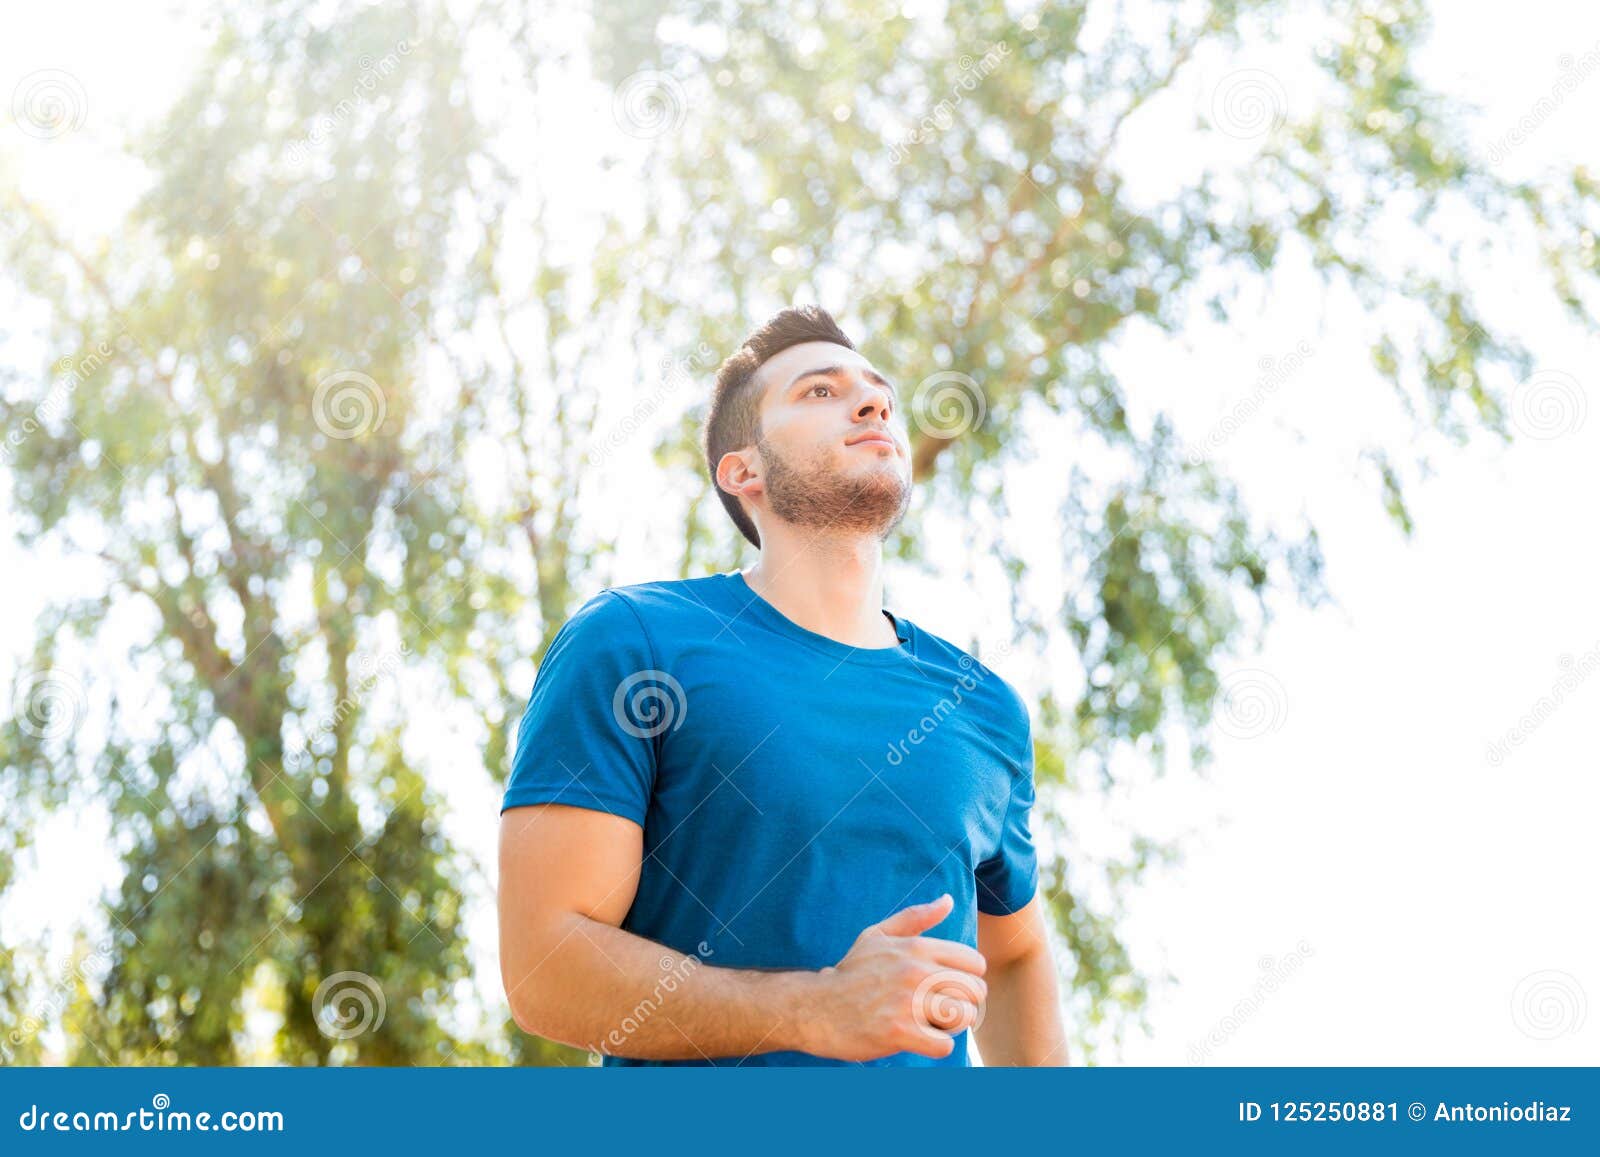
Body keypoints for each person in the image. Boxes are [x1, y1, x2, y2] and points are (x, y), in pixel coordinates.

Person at [498, 305, 1067, 1066]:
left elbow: (1015, 952)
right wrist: (813, 1009)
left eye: (878, 392)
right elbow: (546, 967)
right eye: (820, 392)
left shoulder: (983, 707)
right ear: (743, 470)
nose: (872, 404)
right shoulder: (635, 640)